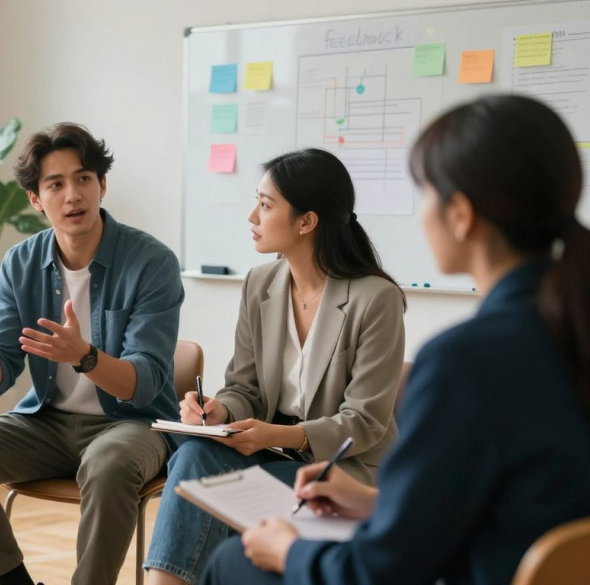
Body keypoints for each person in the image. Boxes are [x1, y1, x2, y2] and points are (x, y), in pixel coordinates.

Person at [201, 95, 590, 585]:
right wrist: (375, 503)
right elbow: (510, 500)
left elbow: (384, 569)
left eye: (424, 193)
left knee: (235, 562)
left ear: (461, 215)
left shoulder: (463, 362)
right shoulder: (568, 330)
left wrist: (290, 552)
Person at [0, 123, 184, 585]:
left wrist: (84, 356)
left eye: (83, 179)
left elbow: (143, 383)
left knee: (108, 464)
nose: (72, 195)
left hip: (131, 425)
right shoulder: (20, 263)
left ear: (102, 185)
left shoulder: (151, 262)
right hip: (47, 424)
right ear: (36, 200)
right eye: (55, 184)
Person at [144, 148, 406, 585]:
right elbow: (243, 386)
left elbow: (364, 422)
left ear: (307, 221)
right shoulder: (260, 283)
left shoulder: (374, 299)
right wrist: (219, 411)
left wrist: (277, 435)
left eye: (265, 205)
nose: (252, 216)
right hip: (268, 454)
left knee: (202, 477)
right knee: (194, 452)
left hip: (340, 472)